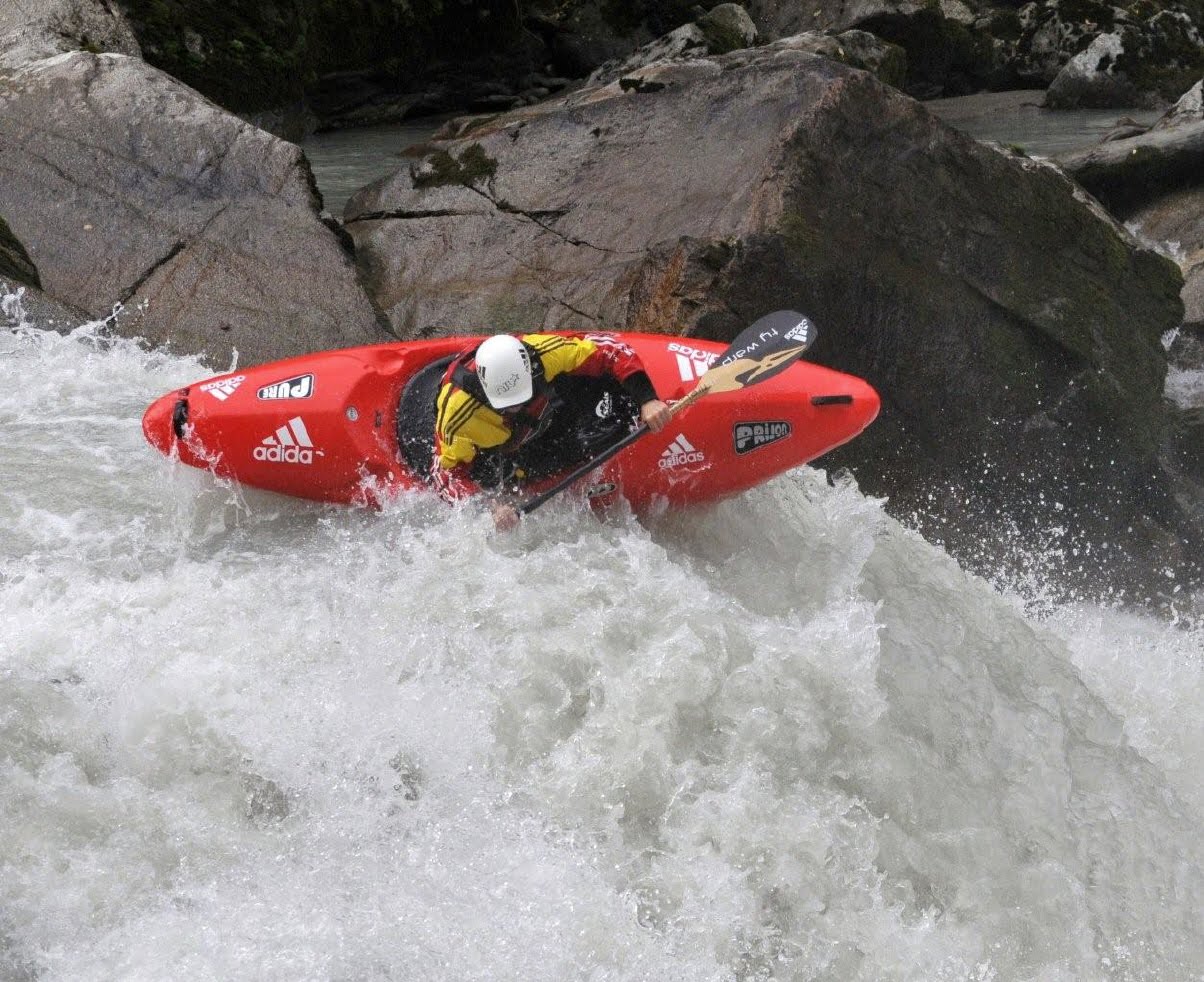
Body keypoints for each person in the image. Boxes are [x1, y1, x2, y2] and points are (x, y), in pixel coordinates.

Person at [432, 332, 672, 530]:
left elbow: (611, 350)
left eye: (520, 398)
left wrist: (647, 399)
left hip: (540, 418)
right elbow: (446, 474)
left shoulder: (543, 354)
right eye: (508, 404)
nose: (515, 407)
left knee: (607, 406)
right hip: (498, 449)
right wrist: (488, 507)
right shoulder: (457, 412)